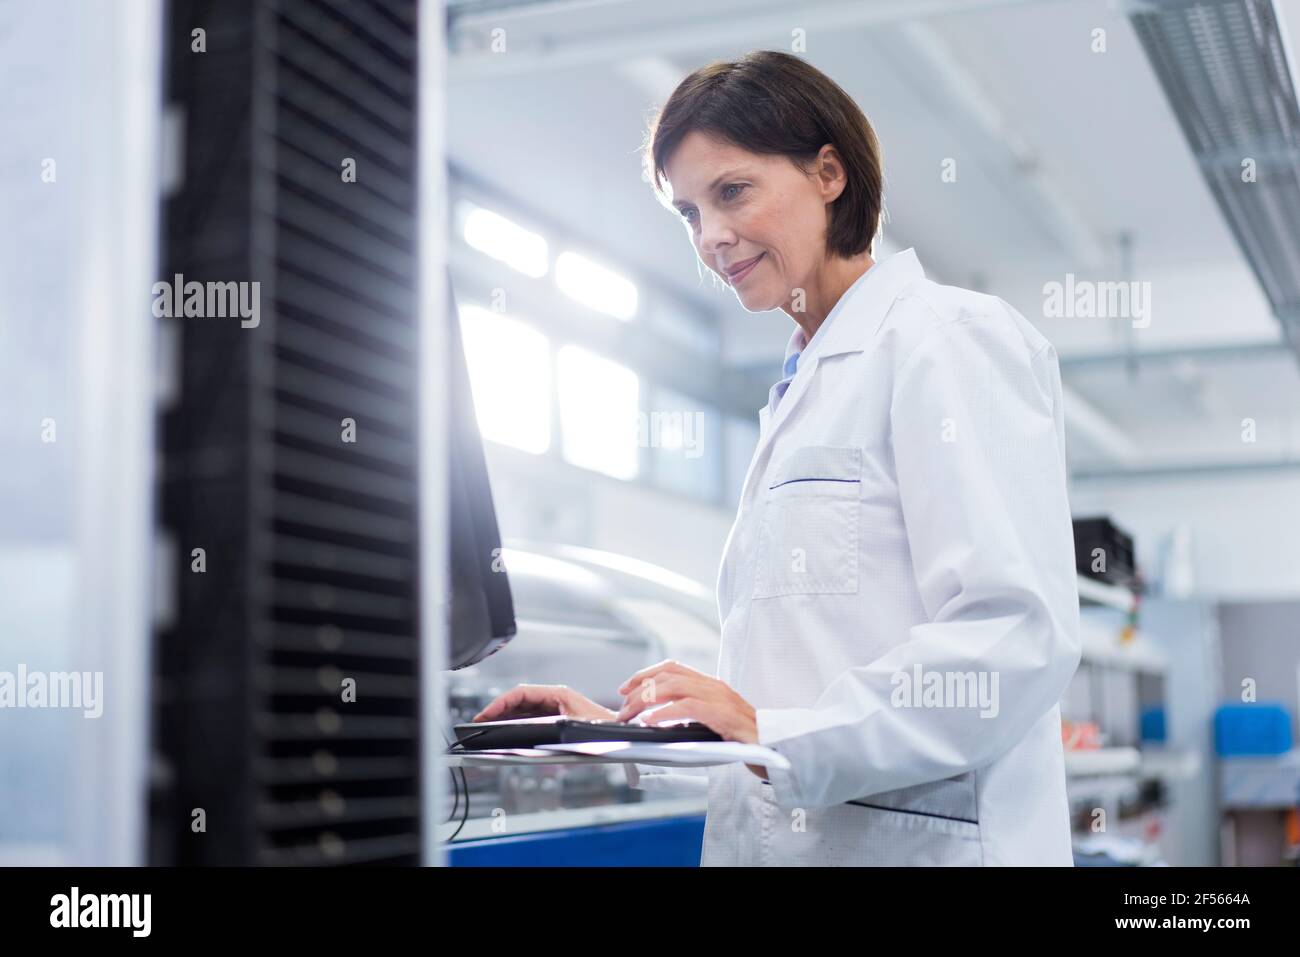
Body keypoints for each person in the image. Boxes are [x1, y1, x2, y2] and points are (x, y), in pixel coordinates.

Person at [474, 50, 1081, 866]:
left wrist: (778, 734)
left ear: (828, 173)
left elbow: (1013, 635)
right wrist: (615, 730)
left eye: (732, 191)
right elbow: (794, 683)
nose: (712, 236)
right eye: (688, 213)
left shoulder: (946, 339)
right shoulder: (802, 388)